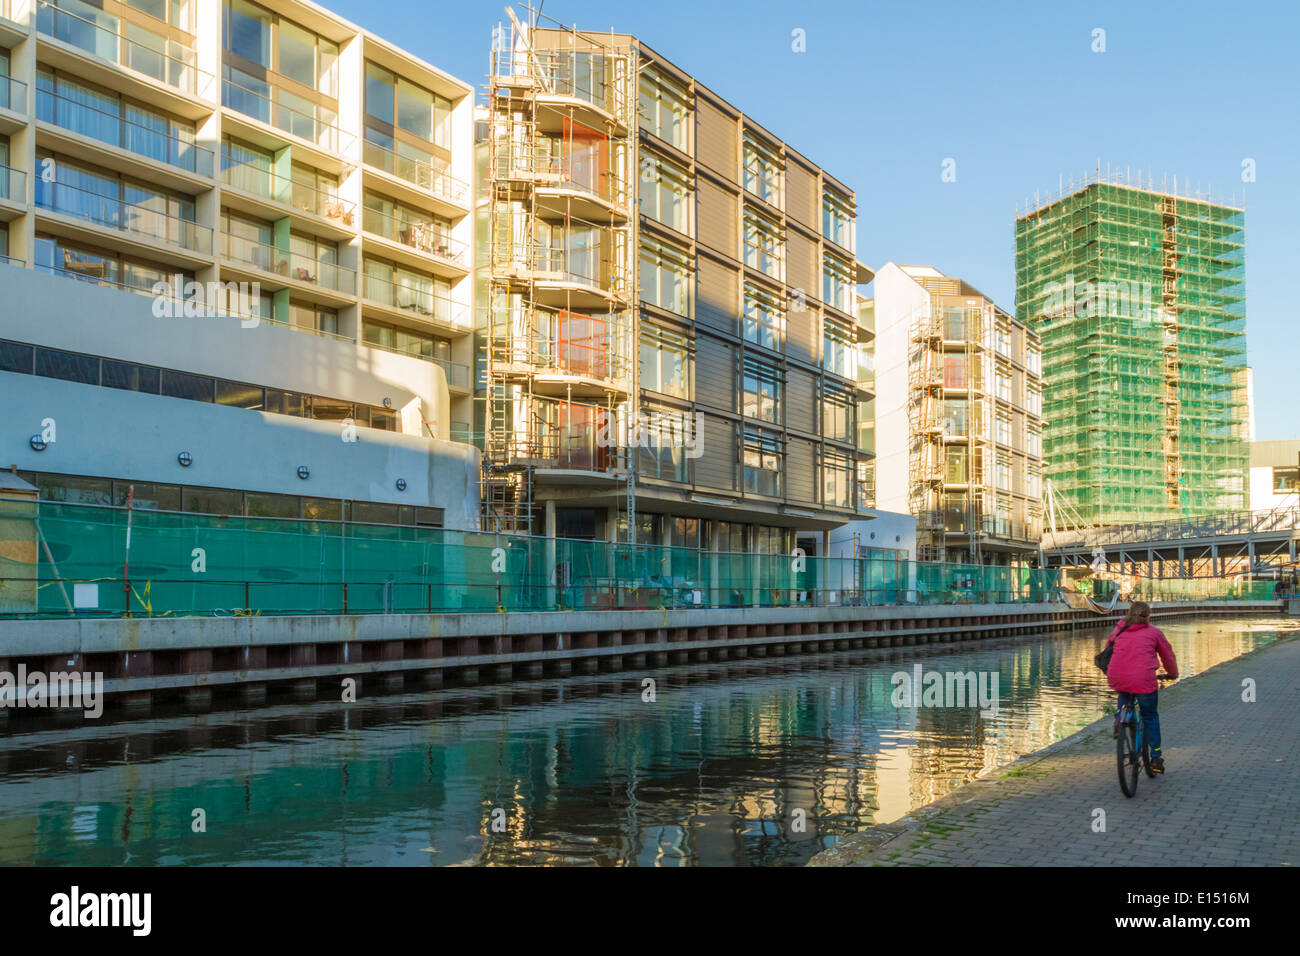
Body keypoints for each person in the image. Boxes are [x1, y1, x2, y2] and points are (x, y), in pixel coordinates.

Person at [1105, 601, 1179, 774]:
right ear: (1148, 616)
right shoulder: (1154, 633)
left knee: (1124, 692)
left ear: (1129, 613)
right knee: (1150, 715)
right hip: (1143, 680)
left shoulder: (1119, 630)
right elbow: (1167, 656)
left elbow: (1108, 650)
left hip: (1118, 676)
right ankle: (1155, 756)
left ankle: (1119, 718)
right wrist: (1172, 674)